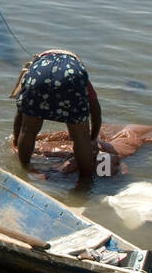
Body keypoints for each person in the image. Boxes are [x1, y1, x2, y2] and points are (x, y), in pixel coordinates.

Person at [9, 49, 103, 181]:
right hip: (71, 80)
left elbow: (20, 112)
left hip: (38, 78)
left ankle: (24, 169)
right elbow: (96, 111)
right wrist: (92, 138)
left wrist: (16, 141)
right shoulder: (76, 69)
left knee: (29, 130)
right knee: (80, 137)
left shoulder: (35, 66)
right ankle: (86, 180)